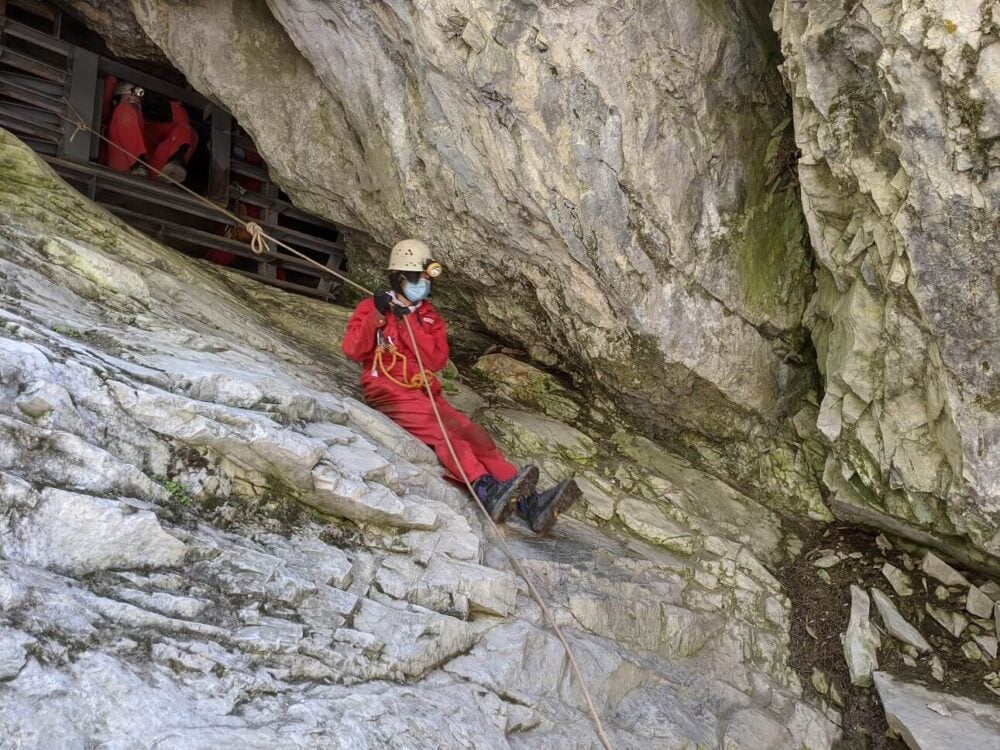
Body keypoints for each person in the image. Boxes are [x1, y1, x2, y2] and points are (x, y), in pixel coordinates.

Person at [342, 239, 580, 535]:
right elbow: (353, 349)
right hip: (388, 392)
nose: (422, 284)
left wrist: (410, 321)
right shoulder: (372, 307)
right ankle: (484, 488)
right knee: (441, 430)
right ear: (399, 278)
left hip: (424, 392)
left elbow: (435, 360)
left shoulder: (429, 316)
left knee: (474, 434)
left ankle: (529, 503)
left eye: (426, 279)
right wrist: (378, 316)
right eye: (417, 278)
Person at [101, 79, 197, 183]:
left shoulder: (148, 129)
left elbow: (180, 128)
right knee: (125, 111)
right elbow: (104, 95)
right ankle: (137, 165)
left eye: (137, 102)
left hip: (152, 173)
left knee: (187, 130)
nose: (134, 105)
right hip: (121, 165)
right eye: (128, 99)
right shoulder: (109, 119)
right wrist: (113, 75)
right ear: (115, 103)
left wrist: (175, 102)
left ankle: (174, 166)